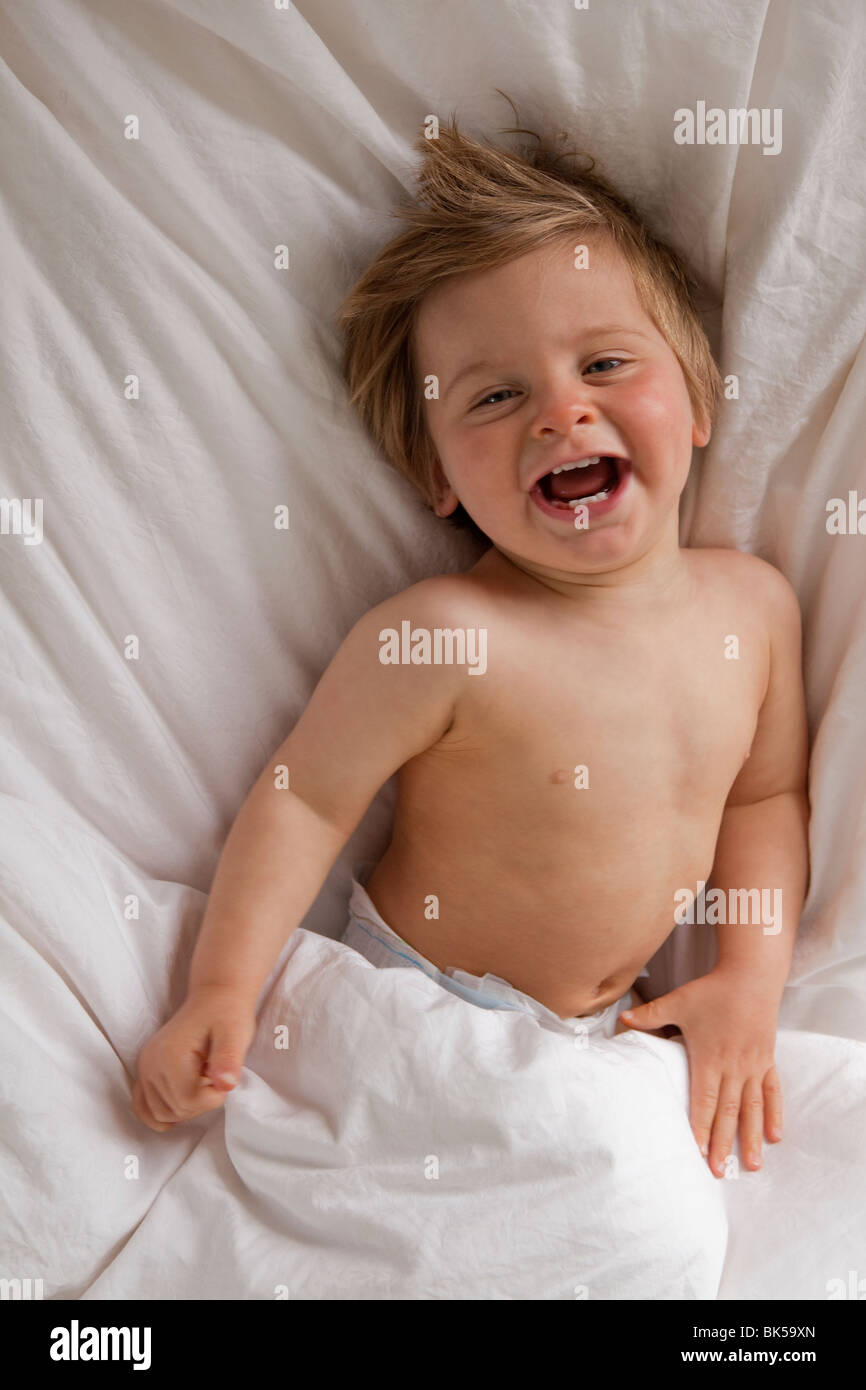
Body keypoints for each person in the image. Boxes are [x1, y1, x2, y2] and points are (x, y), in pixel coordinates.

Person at [132, 115, 809, 1181]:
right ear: (437, 478)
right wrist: (220, 989)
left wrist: (749, 980)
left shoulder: (754, 610)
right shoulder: (442, 635)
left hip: (604, 1036)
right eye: (495, 397)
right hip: (414, 1006)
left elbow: (763, 801)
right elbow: (304, 798)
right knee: (618, 1212)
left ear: (694, 399)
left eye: (603, 361)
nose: (559, 411)